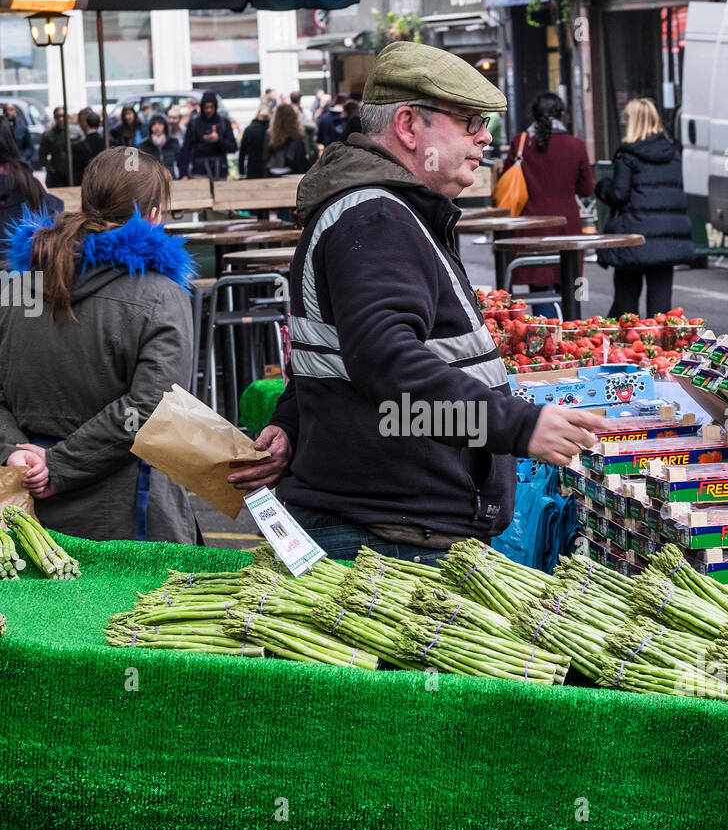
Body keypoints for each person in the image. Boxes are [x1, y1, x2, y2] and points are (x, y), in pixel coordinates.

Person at [226, 40, 604, 561]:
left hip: (388, 526)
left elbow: (336, 359)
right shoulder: (375, 217)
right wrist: (519, 425)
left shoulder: (384, 210)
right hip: (385, 539)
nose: (485, 137)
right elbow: (386, 364)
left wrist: (293, 424)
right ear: (408, 126)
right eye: (470, 121)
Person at [0, 147, 197, 544]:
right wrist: (52, 465)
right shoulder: (162, 295)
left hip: (25, 513)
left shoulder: (18, 289)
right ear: (154, 214)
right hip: (128, 524)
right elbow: (152, 409)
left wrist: (16, 453)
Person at [594, 96, 693, 317]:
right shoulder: (672, 154)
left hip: (633, 237)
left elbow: (619, 196)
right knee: (660, 307)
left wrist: (602, 186)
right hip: (666, 239)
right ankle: (659, 349)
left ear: (633, 122)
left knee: (626, 303)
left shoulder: (628, 156)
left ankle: (623, 348)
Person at [501, 91, 595, 301]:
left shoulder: (520, 143)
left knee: (539, 285)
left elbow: (505, 178)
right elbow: (586, 189)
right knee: (571, 284)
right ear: (562, 114)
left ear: (534, 114)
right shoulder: (577, 146)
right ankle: (571, 327)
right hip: (567, 226)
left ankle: (546, 331)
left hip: (531, 226)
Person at [0, 129, 63, 251]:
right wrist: (46, 193)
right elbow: (53, 217)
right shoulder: (25, 178)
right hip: (23, 264)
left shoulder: (24, 177)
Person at [178, 90, 237, 179]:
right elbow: (186, 149)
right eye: (206, 107)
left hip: (219, 170)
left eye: (211, 107)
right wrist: (183, 173)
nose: (209, 110)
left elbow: (233, 147)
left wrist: (218, 140)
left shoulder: (224, 123)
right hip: (199, 171)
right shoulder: (194, 124)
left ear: (215, 107)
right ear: (202, 107)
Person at [263, 103, 316, 178]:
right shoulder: (299, 134)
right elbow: (304, 155)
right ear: (293, 117)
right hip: (294, 172)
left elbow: (265, 156)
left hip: (273, 171)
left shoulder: (270, 134)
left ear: (276, 117)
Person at [38, 107, 82, 187]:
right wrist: (51, 169)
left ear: (67, 117)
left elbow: (84, 150)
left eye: (63, 116)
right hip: (57, 174)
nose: (61, 119)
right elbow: (42, 155)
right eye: (58, 117)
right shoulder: (48, 134)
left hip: (75, 172)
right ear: (55, 118)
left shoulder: (77, 131)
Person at [139, 112, 182, 177]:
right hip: (152, 180)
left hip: (172, 177)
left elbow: (180, 161)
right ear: (150, 127)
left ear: (165, 126)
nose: (157, 127)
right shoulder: (144, 145)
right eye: (154, 124)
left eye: (160, 124)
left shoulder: (173, 142)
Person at [71, 107, 105, 183]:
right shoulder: (109, 142)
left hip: (86, 182)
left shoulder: (77, 146)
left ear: (87, 122)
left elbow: (76, 172)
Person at [239, 102, 271, 179]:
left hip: (252, 167)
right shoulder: (270, 130)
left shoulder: (249, 129)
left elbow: (242, 152)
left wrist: (241, 170)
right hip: (268, 169)